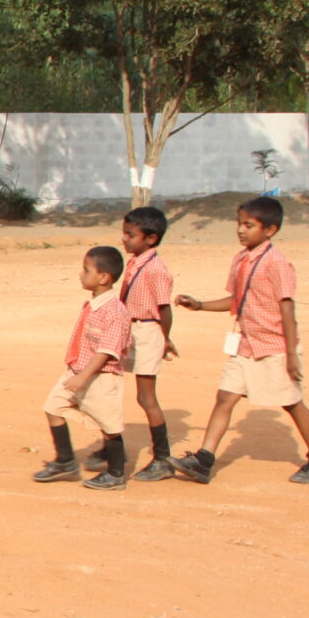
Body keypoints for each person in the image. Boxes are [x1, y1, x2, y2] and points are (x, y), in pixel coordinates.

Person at [171, 197, 309, 484]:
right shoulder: (241, 259)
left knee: (291, 402)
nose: (241, 230)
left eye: (249, 225)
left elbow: (287, 309)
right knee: (225, 397)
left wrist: (291, 354)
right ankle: (203, 460)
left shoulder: (277, 263)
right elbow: (238, 300)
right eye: (239, 224)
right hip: (245, 344)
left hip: (274, 346)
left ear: (270, 230)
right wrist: (199, 305)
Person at [35, 245, 137, 490]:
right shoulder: (93, 304)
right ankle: (65, 462)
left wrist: (83, 378)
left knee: (109, 426)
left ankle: (115, 474)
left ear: (103, 278)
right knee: (53, 407)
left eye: (86, 270)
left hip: (100, 378)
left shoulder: (115, 312)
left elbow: (107, 351)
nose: (81, 274)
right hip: (76, 371)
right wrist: (76, 374)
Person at [116, 205, 181, 480]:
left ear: (151, 239)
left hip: (147, 332)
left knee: (146, 397)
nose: (124, 239)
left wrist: (165, 339)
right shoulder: (136, 262)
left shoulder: (155, 269)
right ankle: (111, 447)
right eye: (124, 233)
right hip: (131, 330)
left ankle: (162, 458)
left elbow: (165, 309)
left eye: (130, 235)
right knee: (108, 385)